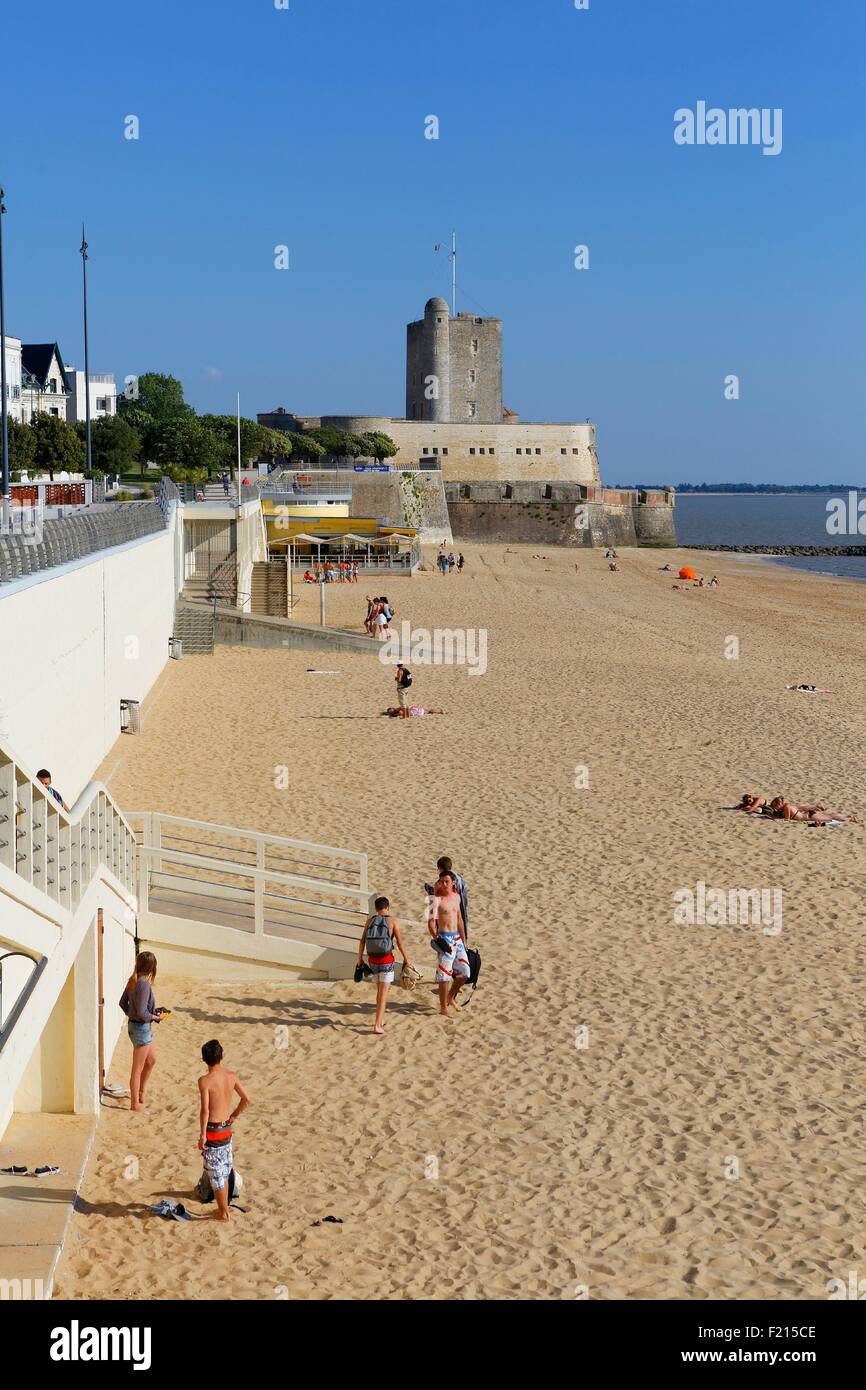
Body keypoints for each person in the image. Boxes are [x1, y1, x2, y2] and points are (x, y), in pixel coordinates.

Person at [197, 1039, 250, 1222]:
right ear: (222, 1056)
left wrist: (202, 1135)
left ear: (204, 1059)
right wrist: (234, 1115)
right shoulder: (231, 1076)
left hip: (212, 1132)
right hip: (226, 1131)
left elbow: (205, 1110)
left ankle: (223, 1213)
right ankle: (224, 1209)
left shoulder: (204, 1081)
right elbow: (246, 1099)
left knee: (217, 1174)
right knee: (224, 1169)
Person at [358, 896, 412, 1034]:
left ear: (376, 909)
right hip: (387, 961)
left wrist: (360, 960)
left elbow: (362, 941)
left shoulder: (370, 921)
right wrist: (407, 959)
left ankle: (380, 1020)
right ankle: (377, 1025)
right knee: (383, 995)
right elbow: (399, 943)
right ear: (387, 907)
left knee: (379, 992)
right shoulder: (392, 921)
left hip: (372, 961)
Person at [119, 951, 162, 1113]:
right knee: (137, 1069)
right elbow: (143, 1013)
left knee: (151, 1060)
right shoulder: (143, 983)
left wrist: (133, 1014)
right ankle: (135, 1104)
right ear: (152, 967)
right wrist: (156, 1017)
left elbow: (123, 1003)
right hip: (141, 1028)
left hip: (139, 1027)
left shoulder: (133, 980)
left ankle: (141, 1093)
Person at [428, 877, 470, 1016]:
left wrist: (464, 940)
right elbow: (431, 923)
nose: (444, 884)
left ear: (453, 882)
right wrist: (438, 939)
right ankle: (443, 1007)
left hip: (457, 939)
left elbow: (459, 920)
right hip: (445, 938)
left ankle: (450, 997)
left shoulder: (457, 897)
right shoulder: (436, 900)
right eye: (442, 882)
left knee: (465, 972)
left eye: (447, 881)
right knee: (444, 976)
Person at [435, 856, 469, 942]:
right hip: (461, 908)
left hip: (451, 919)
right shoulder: (459, 878)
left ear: (441, 869)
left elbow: (442, 897)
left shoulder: (443, 881)